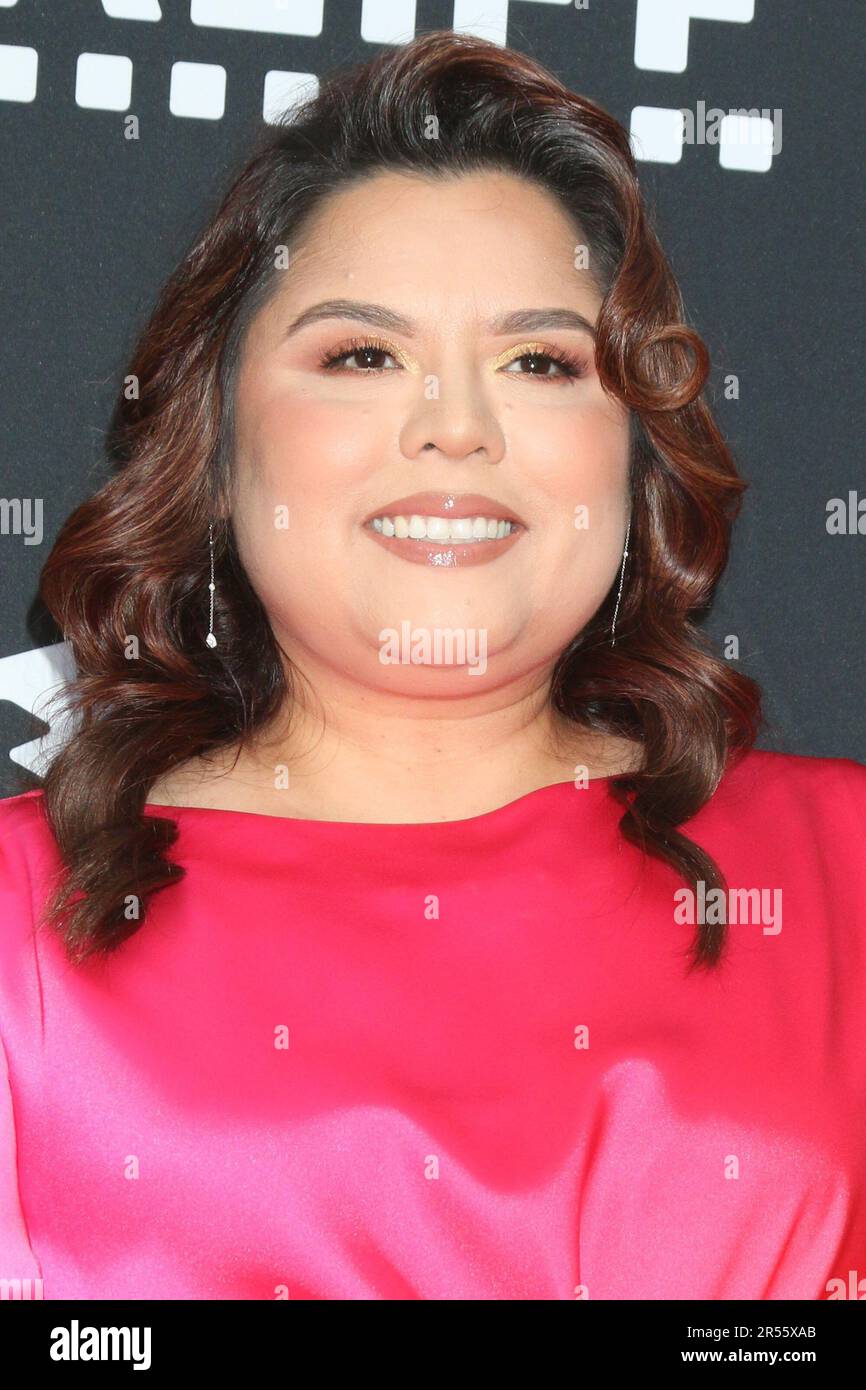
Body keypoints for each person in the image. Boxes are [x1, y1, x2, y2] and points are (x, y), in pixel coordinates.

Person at [1, 30, 863, 1302]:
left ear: (632, 456)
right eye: (362, 355)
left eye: (539, 362)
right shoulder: (22, 930)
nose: (454, 424)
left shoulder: (839, 872)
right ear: (217, 440)